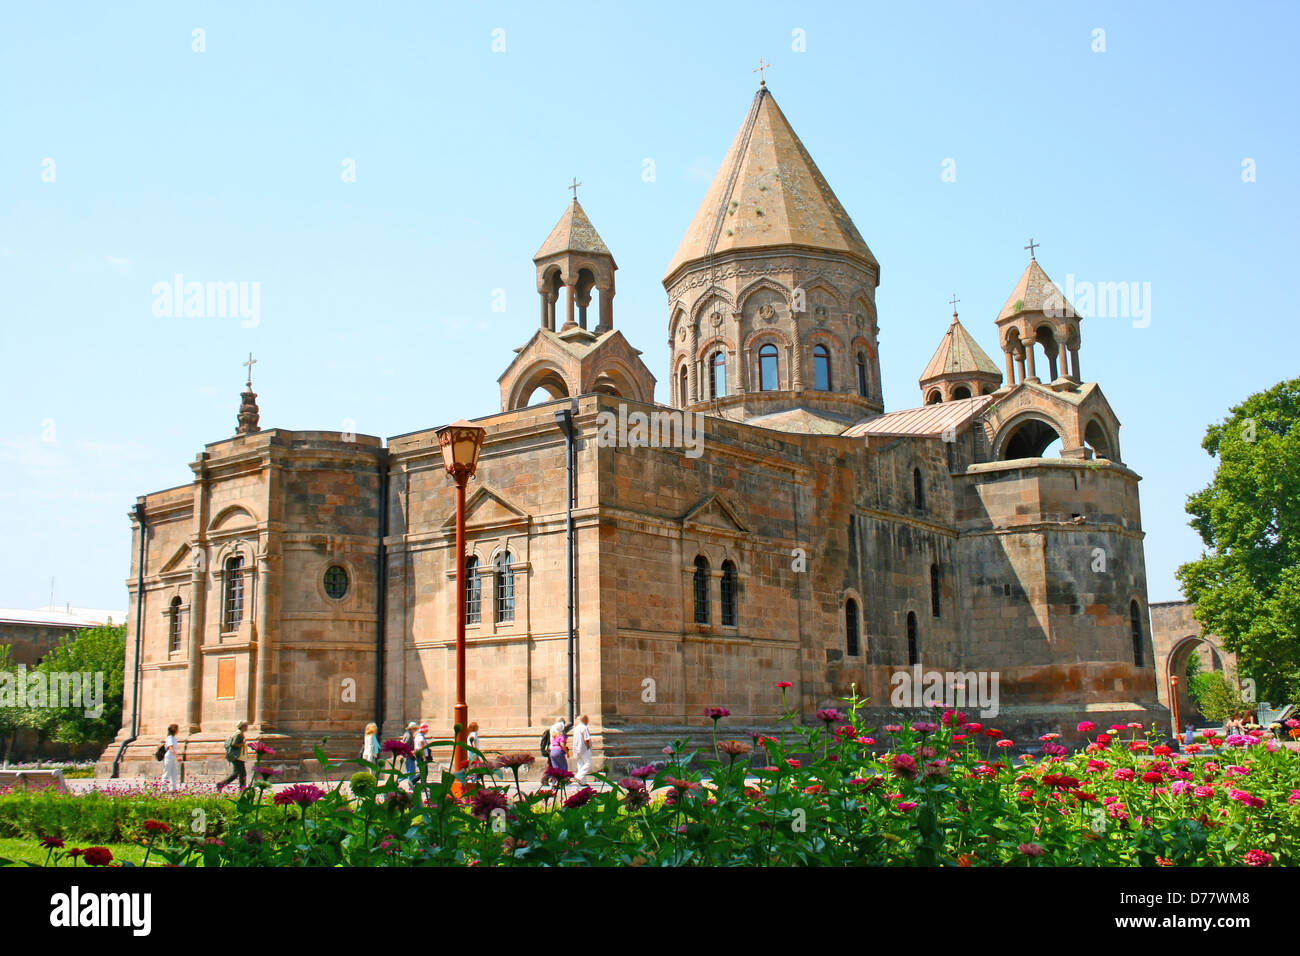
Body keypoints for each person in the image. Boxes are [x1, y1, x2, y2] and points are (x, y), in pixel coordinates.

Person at [218, 721, 248, 791]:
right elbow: (234, 744)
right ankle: (242, 790)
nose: (247, 727)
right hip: (237, 757)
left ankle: (221, 784)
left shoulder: (239, 733)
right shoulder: (238, 734)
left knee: (236, 773)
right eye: (245, 726)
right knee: (242, 774)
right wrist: (242, 744)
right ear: (242, 727)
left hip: (238, 756)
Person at [160, 723, 181, 791]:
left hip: (172, 758)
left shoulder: (173, 738)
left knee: (174, 773)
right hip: (169, 757)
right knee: (166, 772)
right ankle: (163, 788)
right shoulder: (170, 738)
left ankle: (173, 788)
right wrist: (177, 756)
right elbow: (170, 748)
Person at [400, 721, 418, 787]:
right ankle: (411, 784)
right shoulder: (408, 735)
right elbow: (405, 745)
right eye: (415, 729)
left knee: (408, 771)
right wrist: (411, 752)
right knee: (411, 771)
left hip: (408, 755)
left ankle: (410, 783)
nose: (415, 730)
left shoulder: (407, 734)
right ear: (412, 728)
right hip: (409, 755)